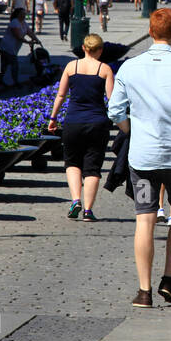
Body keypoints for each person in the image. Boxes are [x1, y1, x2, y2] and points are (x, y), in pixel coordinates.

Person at [108, 8, 171, 307]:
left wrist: (130, 130)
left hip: (143, 160)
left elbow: (115, 111)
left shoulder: (130, 68)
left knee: (145, 220)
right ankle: (169, 278)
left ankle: (144, 290)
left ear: (150, 31)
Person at [48, 34, 114, 221]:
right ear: (100, 50)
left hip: (73, 122)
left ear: (84, 48)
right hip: (97, 123)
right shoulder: (104, 69)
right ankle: (88, 211)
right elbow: (112, 99)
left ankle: (76, 199)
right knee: (92, 168)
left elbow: (60, 96)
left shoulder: (71, 66)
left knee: (72, 162)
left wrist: (53, 118)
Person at [0, 7, 38, 88]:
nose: (24, 15)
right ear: (18, 14)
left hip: (13, 47)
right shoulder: (14, 22)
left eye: (25, 13)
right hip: (7, 46)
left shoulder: (24, 23)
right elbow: (18, 36)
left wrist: (36, 40)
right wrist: (28, 42)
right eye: (22, 13)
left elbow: (30, 32)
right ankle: (15, 82)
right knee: (14, 64)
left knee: (5, 64)